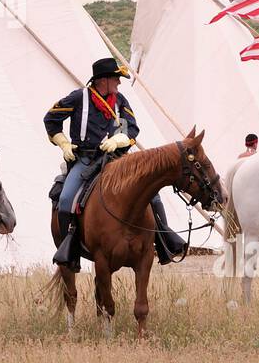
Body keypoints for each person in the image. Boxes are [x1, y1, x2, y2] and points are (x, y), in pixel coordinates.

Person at [43, 58, 186, 269]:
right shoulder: (78, 97)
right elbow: (51, 119)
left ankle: (164, 242)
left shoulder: (120, 101)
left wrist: (119, 140)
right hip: (85, 159)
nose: (119, 84)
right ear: (104, 80)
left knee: (153, 196)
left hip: (117, 160)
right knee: (65, 200)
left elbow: (133, 129)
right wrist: (63, 143)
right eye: (116, 79)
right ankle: (69, 252)